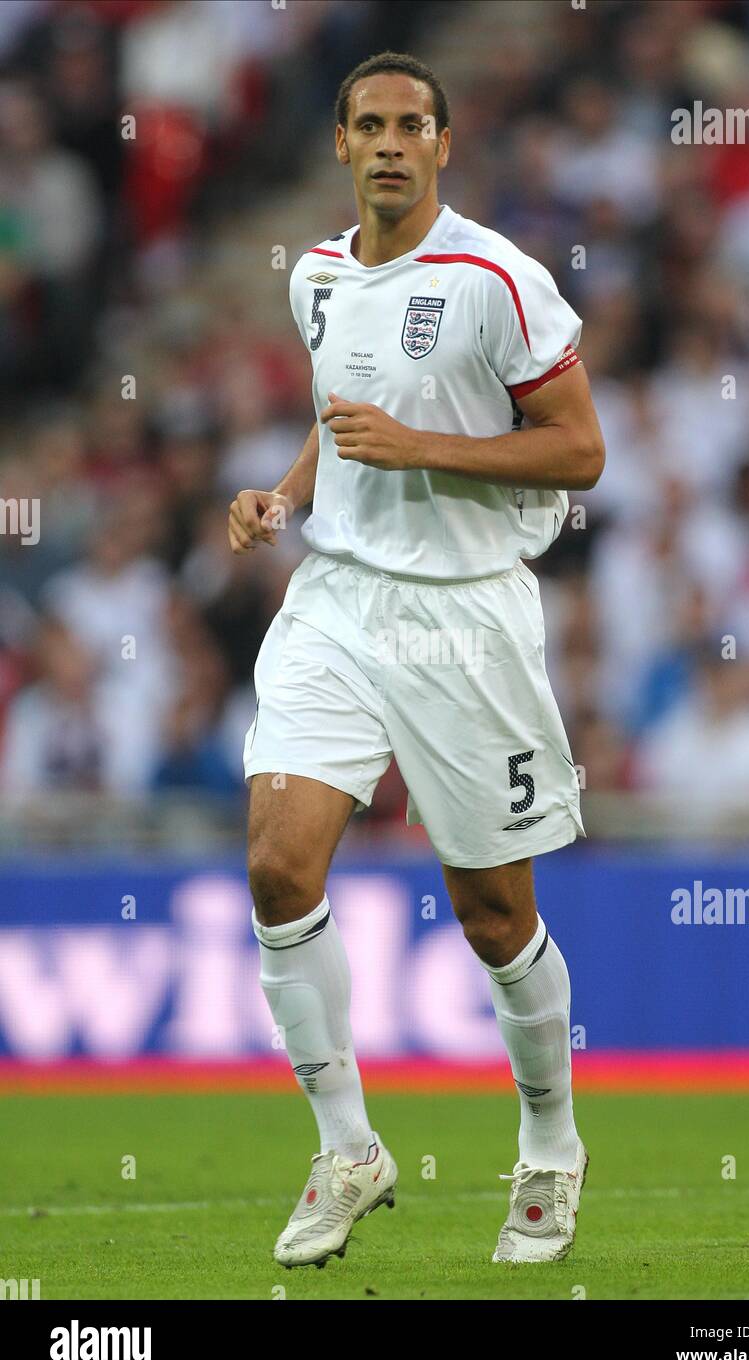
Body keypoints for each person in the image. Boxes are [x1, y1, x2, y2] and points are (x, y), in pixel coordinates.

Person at [228, 51, 605, 1269]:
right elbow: (345, 412)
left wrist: (416, 447)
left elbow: (580, 450)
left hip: (465, 615)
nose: (391, 143)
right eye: (369, 125)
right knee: (280, 870)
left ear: (444, 142)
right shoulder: (320, 275)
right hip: (338, 599)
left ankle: (549, 1140)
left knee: (493, 913)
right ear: (339, 146)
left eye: (412, 125)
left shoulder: (500, 277)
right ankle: (349, 1147)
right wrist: (286, 492)